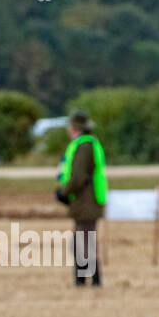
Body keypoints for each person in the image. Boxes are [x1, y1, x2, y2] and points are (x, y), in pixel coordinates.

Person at [55, 109, 107, 287]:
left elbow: (78, 176)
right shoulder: (88, 144)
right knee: (84, 241)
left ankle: (86, 281)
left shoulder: (83, 146)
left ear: (75, 128)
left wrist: (63, 193)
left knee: (83, 242)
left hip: (85, 201)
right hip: (87, 201)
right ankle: (89, 280)